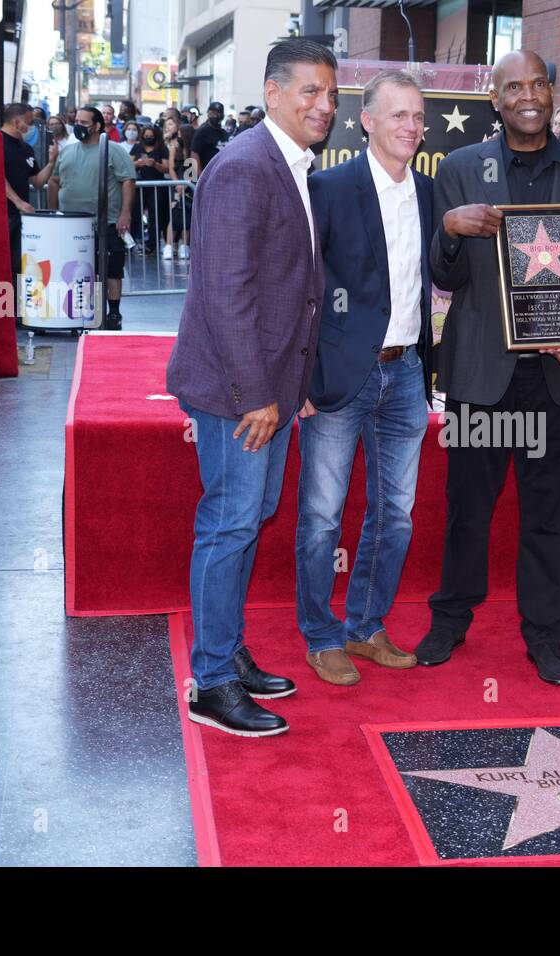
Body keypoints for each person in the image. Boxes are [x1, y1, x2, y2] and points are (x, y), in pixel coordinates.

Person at [417, 50, 560, 685]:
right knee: (467, 507)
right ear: (496, 100)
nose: (528, 95)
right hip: (482, 376)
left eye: (538, 84)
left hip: (558, 380)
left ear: (551, 93)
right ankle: (450, 619)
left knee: (551, 515)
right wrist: (450, 229)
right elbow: (443, 275)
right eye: (513, 87)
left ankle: (545, 635)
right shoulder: (458, 169)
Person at [165, 38, 337, 738]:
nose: (324, 106)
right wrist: (255, 394)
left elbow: (287, 292)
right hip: (237, 390)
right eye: (309, 93)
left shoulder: (289, 163)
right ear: (272, 92)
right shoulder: (243, 168)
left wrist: (288, 384)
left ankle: (227, 653)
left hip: (267, 384)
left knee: (248, 516)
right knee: (231, 521)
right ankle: (210, 682)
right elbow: (225, 292)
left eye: (330, 94)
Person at [296, 69, 436, 686]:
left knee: (397, 514)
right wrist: (296, 374)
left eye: (418, 116)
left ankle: (365, 625)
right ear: (368, 121)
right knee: (323, 516)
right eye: (399, 115)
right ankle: (320, 634)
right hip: (338, 375)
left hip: (405, 372)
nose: (411, 126)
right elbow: (301, 288)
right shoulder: (327, 187)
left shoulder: (430, 193)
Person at [46, 104, 136, 329]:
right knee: (81, 270)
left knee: (112, 268)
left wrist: (125, 213)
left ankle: (113, 312)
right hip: (72, 225)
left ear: (97, 126)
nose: (79, 126)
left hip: (107, 222)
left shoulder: (113, 150)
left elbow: (128, 180)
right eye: (77, 122)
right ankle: (84, 309)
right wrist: (53, 214)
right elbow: (55, 180)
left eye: (84, 123)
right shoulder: (68, 151)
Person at [0, 103, 56, 281]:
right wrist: (18, 202)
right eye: (30, 122)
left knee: (20, 263)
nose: (32, 127)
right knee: (5, 263)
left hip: (21, 215)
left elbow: (37, 181)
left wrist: (52, 162)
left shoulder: (26, 148)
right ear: (17, 122)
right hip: (4, 214)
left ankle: (19, 303)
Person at [130, 122, 170, 253]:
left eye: (151, 136)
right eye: (146, 136)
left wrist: (155, 165)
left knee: (155, 215)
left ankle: (152, 244)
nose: (148, 138)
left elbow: (166, 168)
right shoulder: (137, 147)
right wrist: (139, 163)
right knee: (135, 214)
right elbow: (129, 164)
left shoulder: (162, 149)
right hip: (139, 185)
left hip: (157, 186)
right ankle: (130, 242)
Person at [162, 115, 191, 260]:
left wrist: (187, 183)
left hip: (189, 184)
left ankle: (184, 245)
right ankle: (168, 245)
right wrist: (177, 183)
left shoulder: (192, 149)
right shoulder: (174, 146)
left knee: (188, 216)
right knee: (174, 215)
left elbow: (193, 167)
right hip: (177, 184)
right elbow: (171, 168)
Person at [191, 101, 230, 175]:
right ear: (208, 113)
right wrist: (200, 176)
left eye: (218, 113)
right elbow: (194, 155)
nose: (215, 116)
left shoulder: (224, 133)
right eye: (213, 112)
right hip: (206, 174)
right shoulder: (202, 131)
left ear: (222, 115)